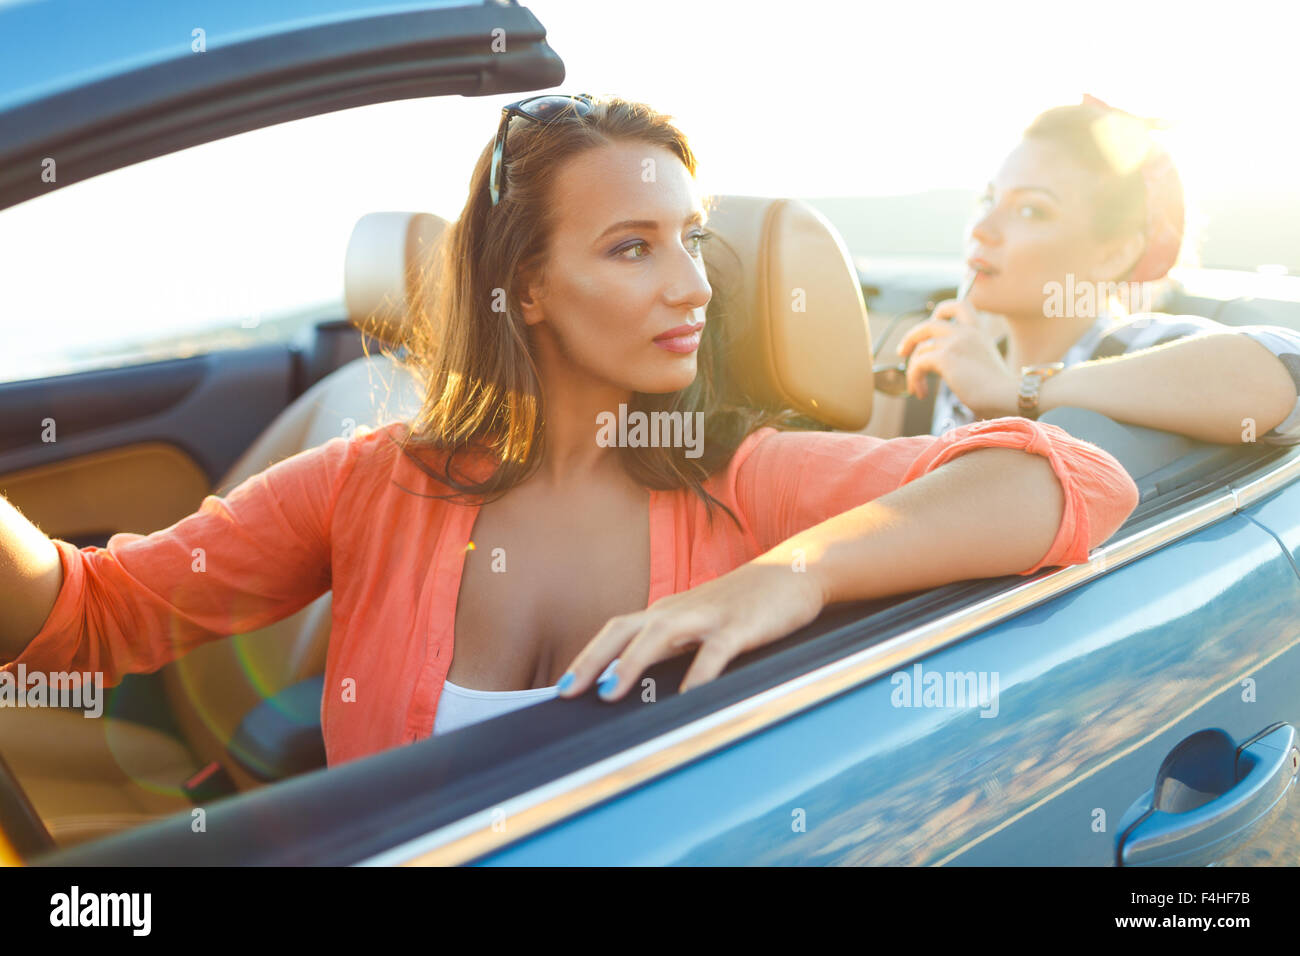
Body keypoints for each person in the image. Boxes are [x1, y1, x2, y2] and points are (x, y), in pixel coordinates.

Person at [0, 95, 1141, 768]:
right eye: (632, 246)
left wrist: (785, 577)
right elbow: (87, 614)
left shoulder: (743, 475)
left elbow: (1067, 480)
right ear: (526, 289)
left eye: (691, 238)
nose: (694, 283)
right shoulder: (368, 483)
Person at [897, 95, 1300, 444]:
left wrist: (1009, 390)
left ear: (1115, 255)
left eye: (1030, 210)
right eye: (988, 201)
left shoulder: (1133, 348)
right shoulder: (949, 367)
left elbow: (1286, 374)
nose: (982, 230)